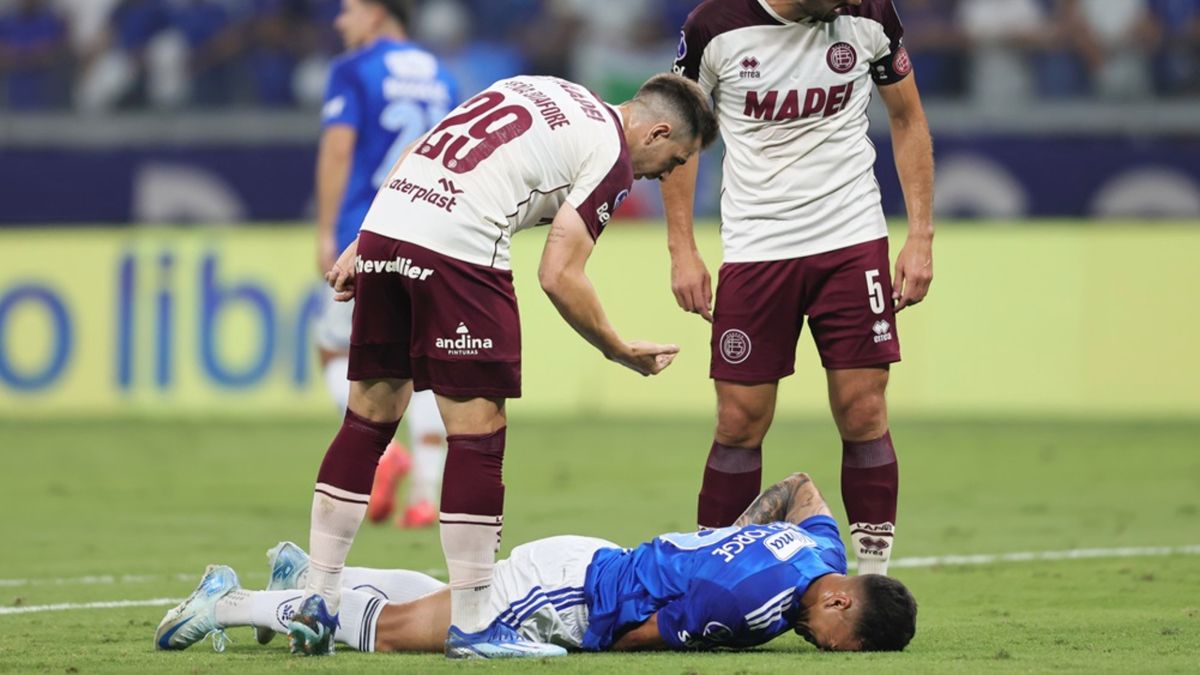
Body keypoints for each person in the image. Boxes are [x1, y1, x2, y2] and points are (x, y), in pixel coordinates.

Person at [290, 72, 718, 658]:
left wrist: (367, 238)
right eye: (675, 160)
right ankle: (473, 624)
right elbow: (558, 273)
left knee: (367, 419)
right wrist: (616, 347)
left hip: (391, 222)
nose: (666, 173)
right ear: (659, 131)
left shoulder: (543, 86)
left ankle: (318, 599)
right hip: (458, 244)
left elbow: (422, 148)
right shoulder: (613, 152)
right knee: (478, 436)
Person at [662, 0, 935, 576]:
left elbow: (908, 119)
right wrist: (682, 248)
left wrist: (921, 236)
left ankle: (872, 579)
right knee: (739, 420)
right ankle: (710, 575)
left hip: (852, 237)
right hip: (756, 248)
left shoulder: (869, 13)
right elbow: (678, 138)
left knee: (863, 411)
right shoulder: (712, 26)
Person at [155, 472, 918, 655]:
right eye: (837, 644)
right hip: (578, 593)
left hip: (590, 555)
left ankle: (310, 575)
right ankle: (232, 600)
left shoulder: (823, 548)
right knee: (405, 634)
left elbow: (799, 486)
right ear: (844, 607)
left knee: (445, 601)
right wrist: (573, 643)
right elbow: (646, 632)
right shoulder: (751, 608)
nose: (820, 647)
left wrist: (726, 534)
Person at [310, 0, 457, 532]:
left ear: (375, 11)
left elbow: (337, 150)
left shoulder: (353, 69)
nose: (339, 21)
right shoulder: (442, 76)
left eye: (347, 9)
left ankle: (387, 453)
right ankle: (425, 496)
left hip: (364, 229)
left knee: (330, 348)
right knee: (420, 366)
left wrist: (327, 231)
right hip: (427, 226)